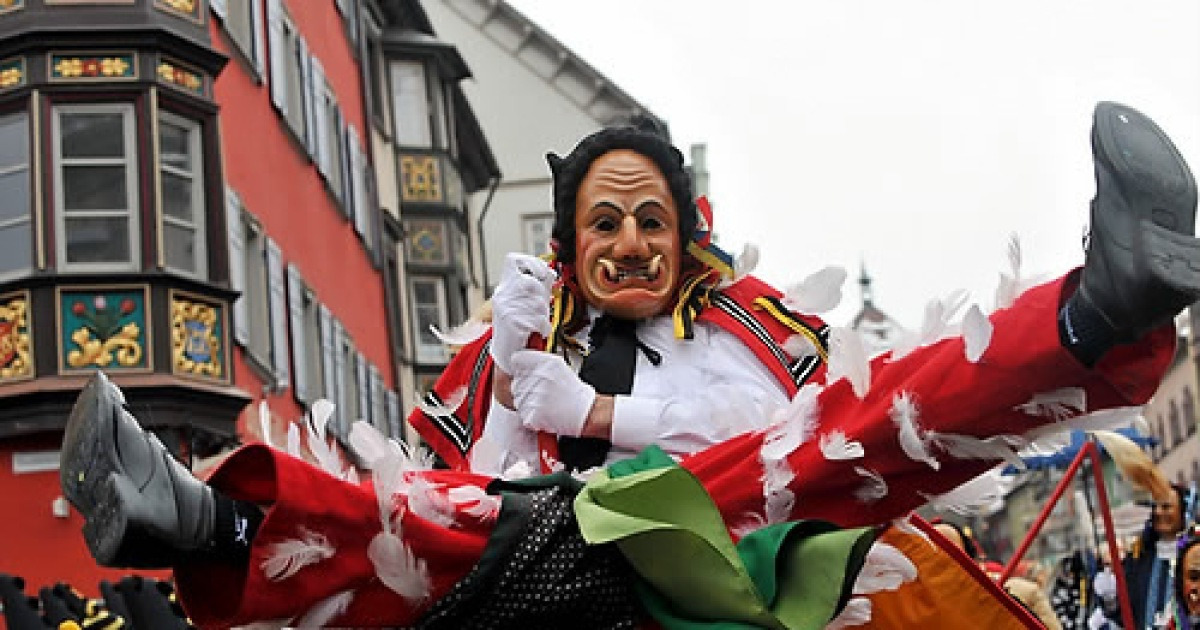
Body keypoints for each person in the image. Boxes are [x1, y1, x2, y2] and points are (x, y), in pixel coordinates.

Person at [59, 102, 1196, 629]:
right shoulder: (512, 347)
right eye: (604, 225)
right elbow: (430, 507)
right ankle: (208, 523)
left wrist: (609, 414)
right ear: (569, 246)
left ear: (686, 230)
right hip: (545, 591)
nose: (630, 245)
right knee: (428, 523)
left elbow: (772, 454)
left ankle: (1100, 313)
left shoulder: (741, 326)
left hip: (736, 566)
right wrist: (512, 391)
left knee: (852, 435)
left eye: (650, 220)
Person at [1125, 485, 1190, 628]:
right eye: (1155, 506)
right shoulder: (1137, 559)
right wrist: (1109, 601)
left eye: (1166, 507)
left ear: (1183, 511)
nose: (1158, 512)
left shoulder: (1193, 557)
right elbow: (1125, 610)